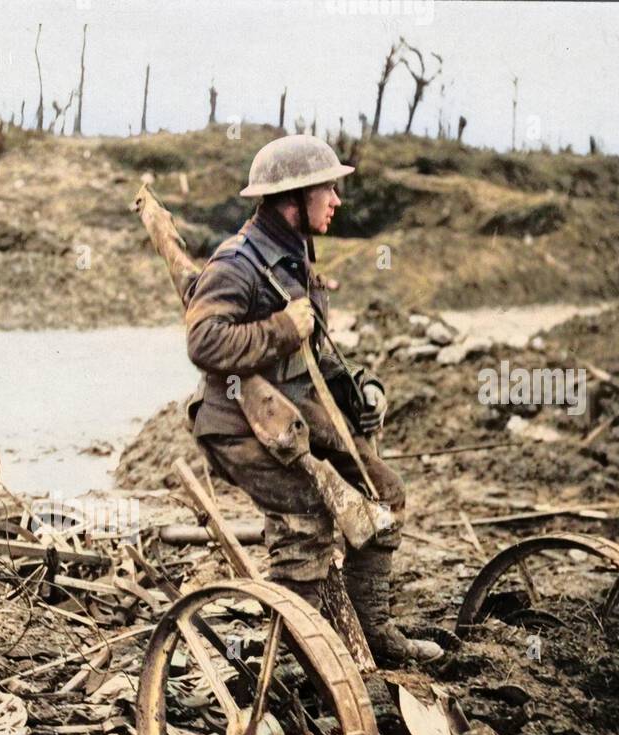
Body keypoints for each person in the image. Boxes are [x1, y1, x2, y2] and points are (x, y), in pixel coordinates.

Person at [185, 133, 442, 665]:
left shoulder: (295, 254)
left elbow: (314, 351)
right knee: (307, 517)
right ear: (292, 198)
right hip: (237, 423)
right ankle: (300, 664)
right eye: (327, 189)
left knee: (383, 494)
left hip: (297, 416)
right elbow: (204, 342)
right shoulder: (237, 263)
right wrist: (279, 326)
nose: (337, 201)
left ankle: (373, 634)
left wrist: (361, 389)